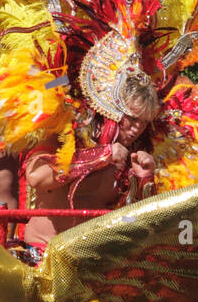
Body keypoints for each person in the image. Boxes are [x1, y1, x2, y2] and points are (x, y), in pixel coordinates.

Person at [19, 76, 160, 254]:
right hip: (44, 250)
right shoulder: (66, 130)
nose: (137, 129)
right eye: (132, 119)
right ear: (112, 109)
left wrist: (142, 180)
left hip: (94, 256)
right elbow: (37, 176)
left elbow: (134, 221)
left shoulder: (133, 154)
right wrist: (100, 156)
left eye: (144, 122)